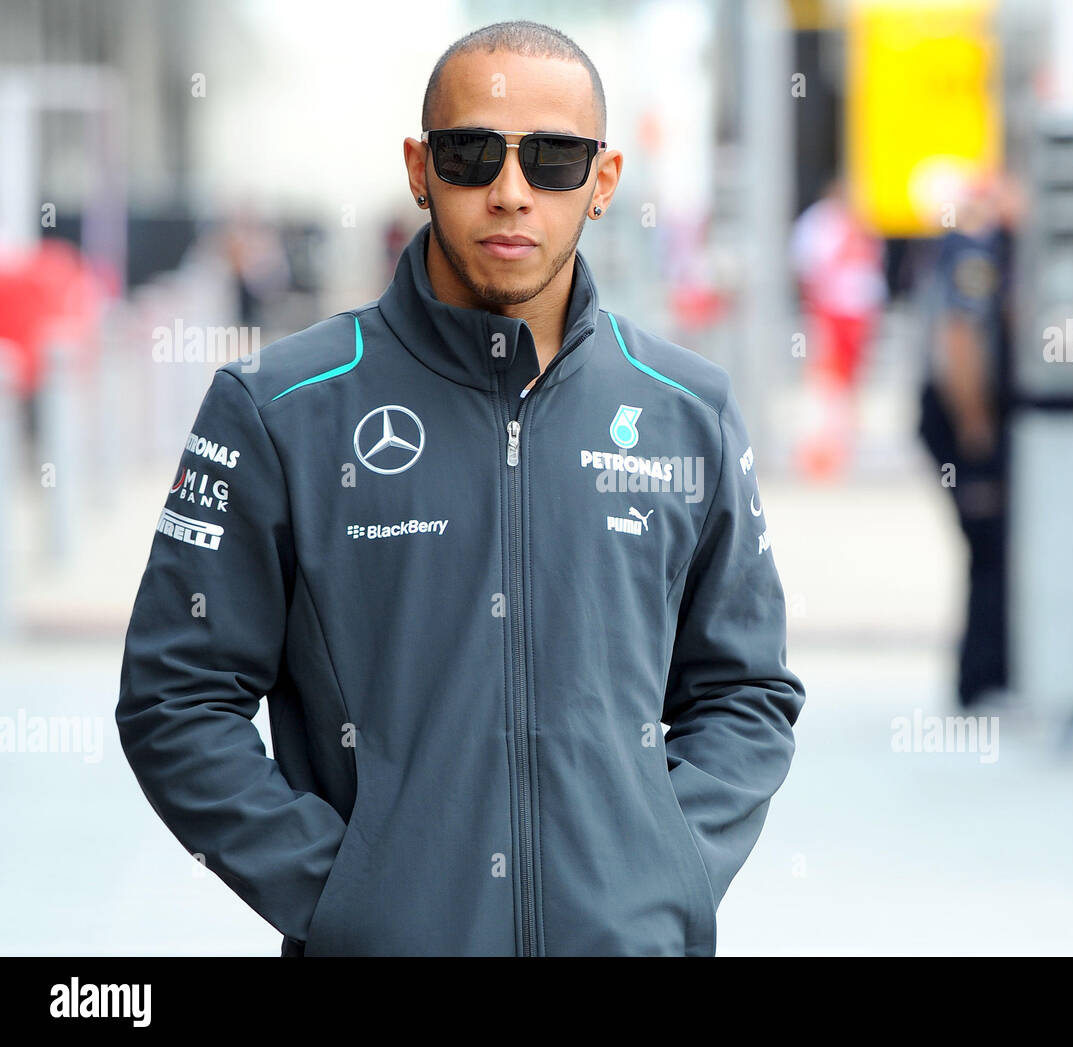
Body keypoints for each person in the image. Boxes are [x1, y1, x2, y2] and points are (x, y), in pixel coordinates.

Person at [115, 20, 805, 957]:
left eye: (555, 160)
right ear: (419, 168)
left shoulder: (690, 409)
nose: (510, 192)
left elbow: (746, 690)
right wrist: (347, 898)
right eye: (471, 153)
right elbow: (176, 698)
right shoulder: (279, 409)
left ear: (603, 182)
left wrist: (662, 867)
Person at [916, 173, 1020, 710]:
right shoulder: (977, 252)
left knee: (999, 549)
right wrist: (977, 437)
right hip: (964, 422)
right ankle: (982, 679)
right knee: (992, 547)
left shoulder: (992, 247)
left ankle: (997, 673)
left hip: (970, 418)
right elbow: (960, 343)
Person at [789, 176, 885, 479]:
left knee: (852, 376)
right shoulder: (818, 222)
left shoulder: (862, 222)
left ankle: (844, 440)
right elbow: (808, 267)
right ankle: (824, 444)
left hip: (858, 310)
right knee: (828, 376)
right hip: (830, 309)